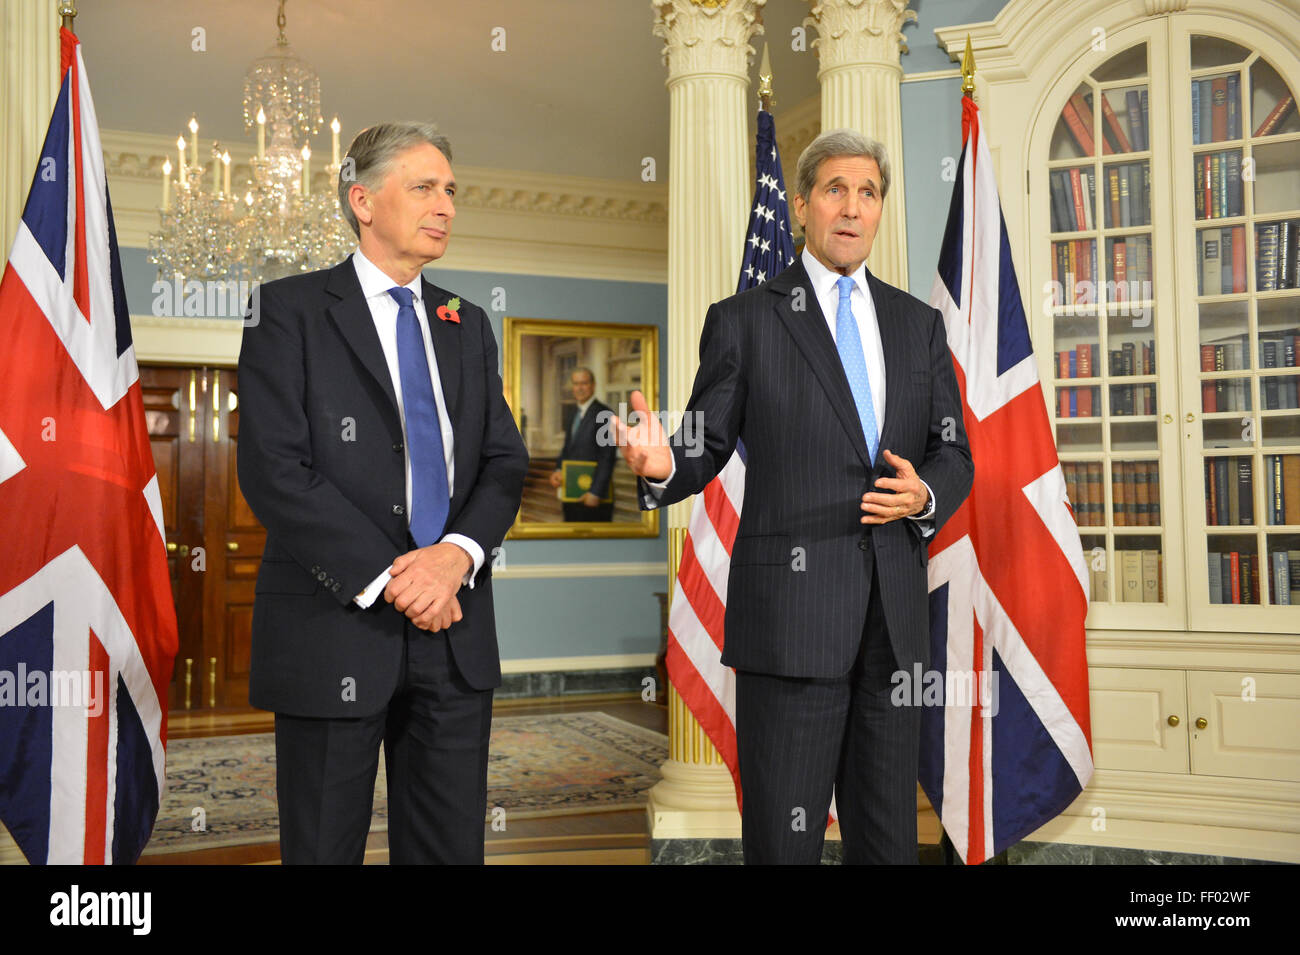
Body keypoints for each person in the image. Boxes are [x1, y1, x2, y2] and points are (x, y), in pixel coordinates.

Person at [613, 129, 973, 864]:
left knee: (889, 841)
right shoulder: (746, 319)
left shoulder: (918, 325)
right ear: (803, 204)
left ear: (879, 210)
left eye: (868, 192)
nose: (852, 207)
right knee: (785, 841)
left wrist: (925, 493)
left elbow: (953, 452)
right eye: (835, 189)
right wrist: (659, 462)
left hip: (894, 624)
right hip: (791, 624)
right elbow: (706, 443)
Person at [236, 122, 528, 864]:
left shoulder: (468, 324)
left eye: (452, 191)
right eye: (425, 188)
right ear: (362, 200)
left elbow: (503, 462)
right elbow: (274, 468)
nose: (446, 206)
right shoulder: (284, 311)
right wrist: (400, 578)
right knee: (324, 847)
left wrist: (454, 558)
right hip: (334, 622)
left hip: (455, 629)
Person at [548, 366, 616, 521]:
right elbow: (567, 449)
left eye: (584, 383)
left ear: (593, 385)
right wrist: (558, 469)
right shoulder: (572, 413)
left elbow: (607, 457)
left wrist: (596, 492)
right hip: (572, 493)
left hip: (593, 498)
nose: (579, 388)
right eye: (576, 384)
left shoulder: (604, 414)